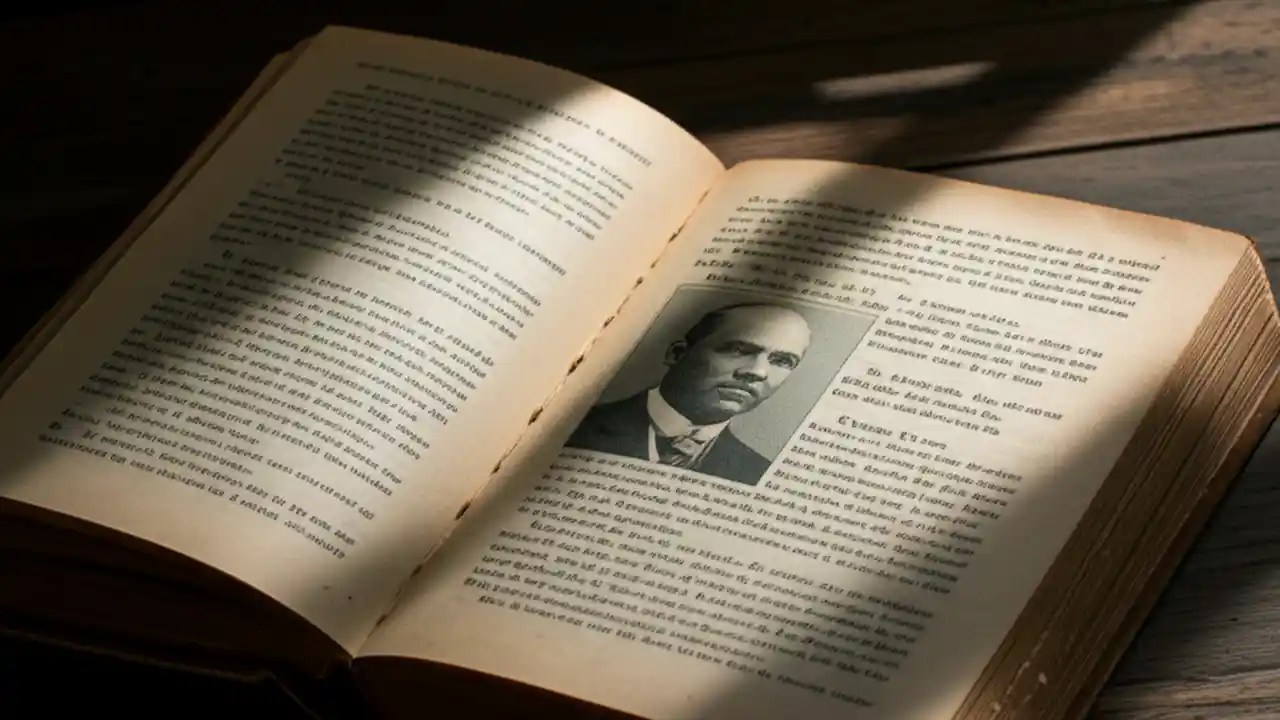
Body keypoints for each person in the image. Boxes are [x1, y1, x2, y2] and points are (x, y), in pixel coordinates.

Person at [566, 302, 811, 485]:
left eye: (783, 361)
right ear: (678, 354)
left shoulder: (757, 473)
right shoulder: (574, 427)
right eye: (738, 350)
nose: (758, 372)